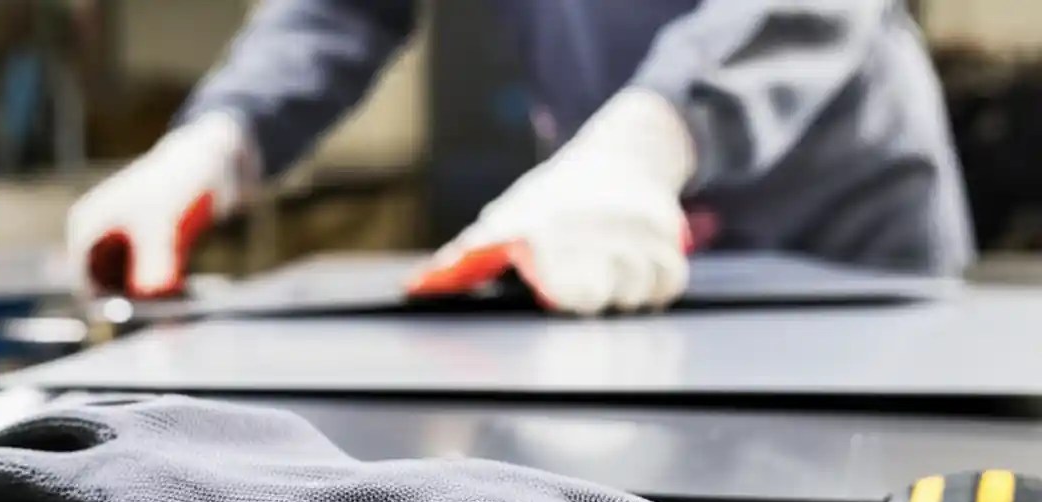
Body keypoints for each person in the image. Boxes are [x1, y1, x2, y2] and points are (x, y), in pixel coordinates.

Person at [69, 0, 973, 315]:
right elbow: (343, 8)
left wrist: (650, 141)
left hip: (838, 239)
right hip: (600, 246)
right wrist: (216, 140)